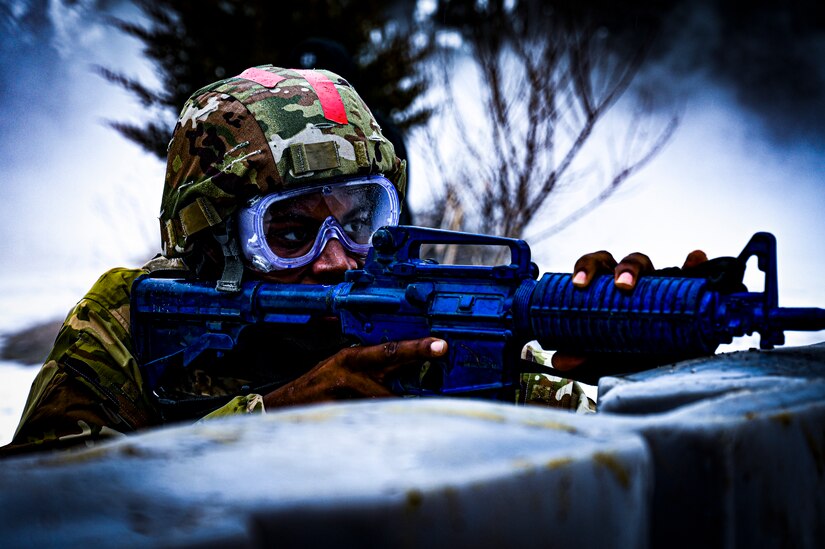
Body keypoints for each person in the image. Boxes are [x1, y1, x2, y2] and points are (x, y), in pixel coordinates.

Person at [0, 65, 683, 456]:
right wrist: (260, 426)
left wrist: (642, 351)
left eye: (359, 221)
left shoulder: (408, 308)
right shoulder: (128, 322)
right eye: (290, 232)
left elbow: (581, 430)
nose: (336, 260)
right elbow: (46, 502)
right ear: (216, 245)